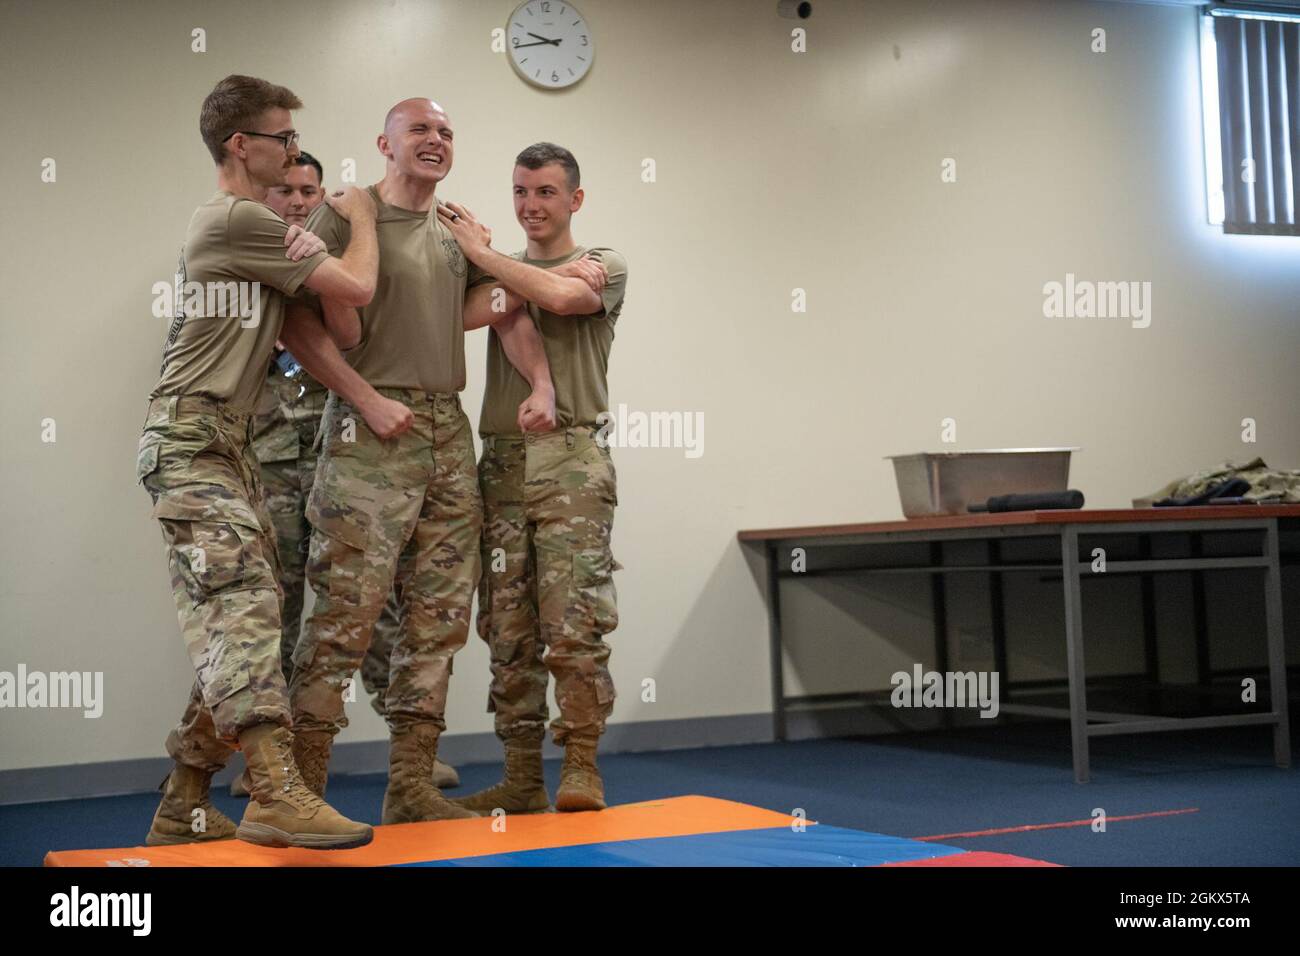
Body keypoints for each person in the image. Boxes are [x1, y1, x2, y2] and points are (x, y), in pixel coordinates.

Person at [139, 74, 416, 849]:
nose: (294, 152)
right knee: (248, 606)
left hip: (228, 447)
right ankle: (272, 793)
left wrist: (312, 240)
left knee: (242, 620)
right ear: (241, 145)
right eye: (283, 139)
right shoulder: (233, 221)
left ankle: (185, 798)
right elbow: (359, 282)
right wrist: (357, 213)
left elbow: (341, 331)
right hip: (191, 441)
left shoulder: (260, 231)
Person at [284, 98, 554, 823]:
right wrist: (366, 399)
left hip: (446, 430)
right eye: (420, 131)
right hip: (369, 429)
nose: (435, 141)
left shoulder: (453, 229)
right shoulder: (345, 213)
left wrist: (511, 267)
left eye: (446, 132)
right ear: (385, 144)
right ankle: (301, 793)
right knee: (345, 615)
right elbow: (296, 324)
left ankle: (411, 788)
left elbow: (491, 307)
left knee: (437, 620)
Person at [439, 143, 628, 813]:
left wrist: (486, 256)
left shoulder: (603, 263)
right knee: (508, 626)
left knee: (573, 620)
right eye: (522, 192)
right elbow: (473, 312)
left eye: (546, 192)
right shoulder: (503, 274)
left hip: (570, 456)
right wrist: (496, 271)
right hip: (504, 458)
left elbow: (561, 296)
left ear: (575, 199)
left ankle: (581, 766)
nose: (531, 205)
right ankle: (522, 776)